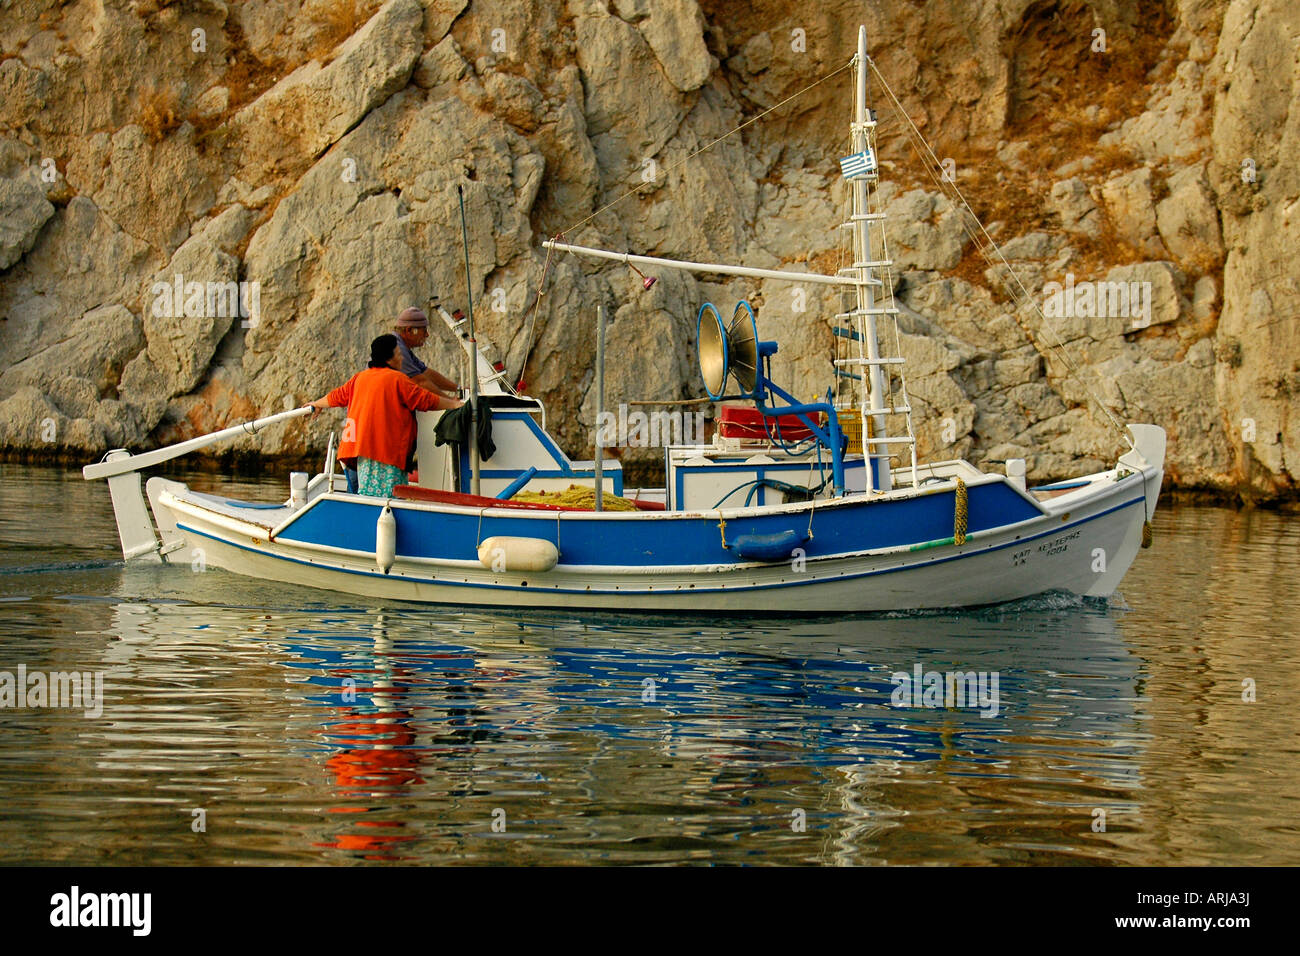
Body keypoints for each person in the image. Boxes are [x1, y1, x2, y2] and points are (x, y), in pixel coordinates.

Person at [310, 335, 463, 498]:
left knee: (366, 494)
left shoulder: (360, 378)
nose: (402, 357)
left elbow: (337, 396)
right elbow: (425, 400)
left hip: (361, 450)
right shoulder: (398, 380)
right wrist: (453, 404)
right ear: (389, 358)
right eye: (398, 354)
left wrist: (317, 403)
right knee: (387, 498)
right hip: (386, 452)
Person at [394, 307, 460, 400]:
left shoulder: (402, 346)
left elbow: (425, 373)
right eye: (424, 330)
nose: (427, 335)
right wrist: (450, 402)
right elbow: (420, 382)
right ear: (409, 330)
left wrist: (458, 389)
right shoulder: (397, 348)